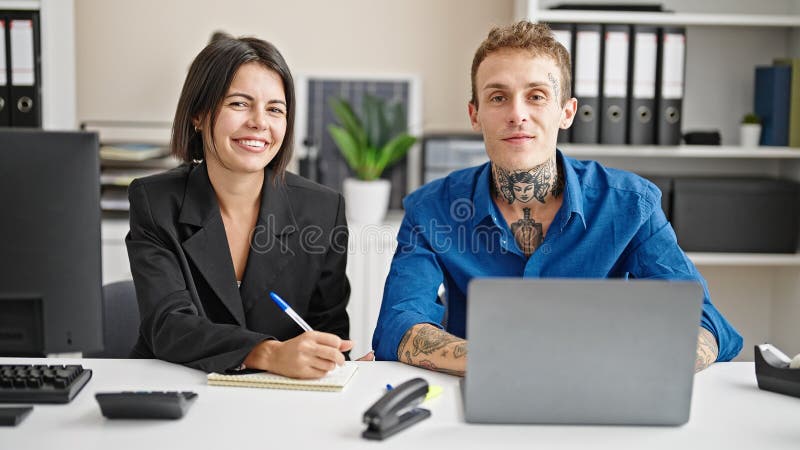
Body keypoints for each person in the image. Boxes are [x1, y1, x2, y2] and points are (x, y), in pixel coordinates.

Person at [372, 21, 742, 375]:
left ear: (566, 112)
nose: (517, 114)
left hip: (603, 392)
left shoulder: (632, 204)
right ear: (475, 114)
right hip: (481, 389)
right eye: (498, 97)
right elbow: (398, 324)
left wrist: (631, 365)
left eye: (536, 96)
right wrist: (504, 361)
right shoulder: (431, 208)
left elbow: (705, 322)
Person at [126, 36, 355, 378]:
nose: (260, 122)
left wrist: (337, 363)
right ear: (199, 115)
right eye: (239, 104)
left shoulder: (323, 209)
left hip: (279, 398)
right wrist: (267, 352)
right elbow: (168, 324)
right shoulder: (155, 201)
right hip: (175, 386)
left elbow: (326, 328)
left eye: (275, 109)